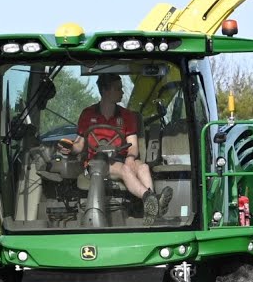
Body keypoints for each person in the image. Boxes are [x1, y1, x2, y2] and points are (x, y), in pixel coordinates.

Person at [58, 73, 172, 218]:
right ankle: (152, 202)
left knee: (143, 167)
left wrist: (130, 158)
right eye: (118, 89)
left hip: (122, 159)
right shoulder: (87, 114)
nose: (122, 92)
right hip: (96, 164)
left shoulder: (127, 116)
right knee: (124, 169)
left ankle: (151, 212)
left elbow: (133, 146)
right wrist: (69, 148)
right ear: (105, 91)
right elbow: (79, 145)